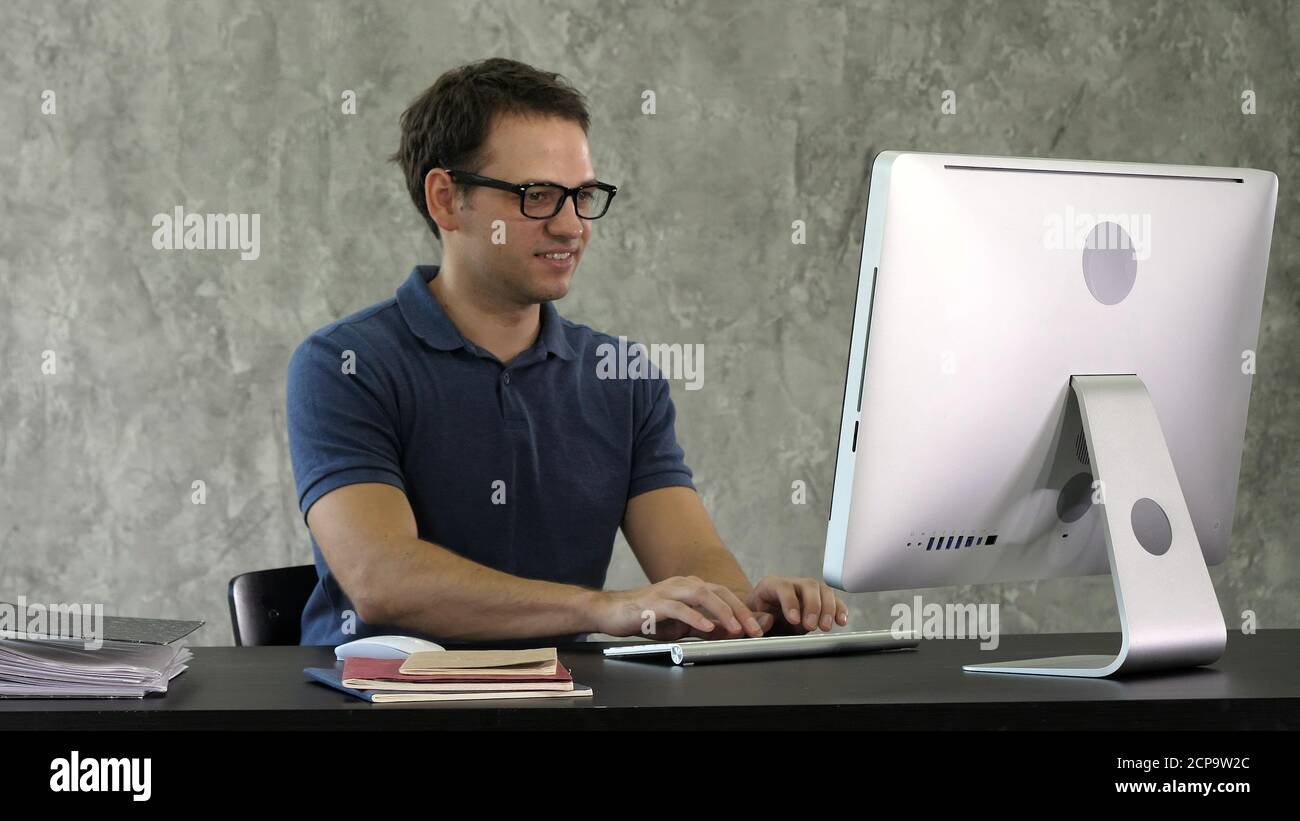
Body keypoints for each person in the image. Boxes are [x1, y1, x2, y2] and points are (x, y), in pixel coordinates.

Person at [287, 57, 848, 646]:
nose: (571, 225)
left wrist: (750, 612)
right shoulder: (345, 363)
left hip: (568, 703)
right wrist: (601, 609)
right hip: (386, 704)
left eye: (582, 196)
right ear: (446, 199)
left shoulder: (622, 376)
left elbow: (695, 561)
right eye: (538, 195)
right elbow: (383, 580)